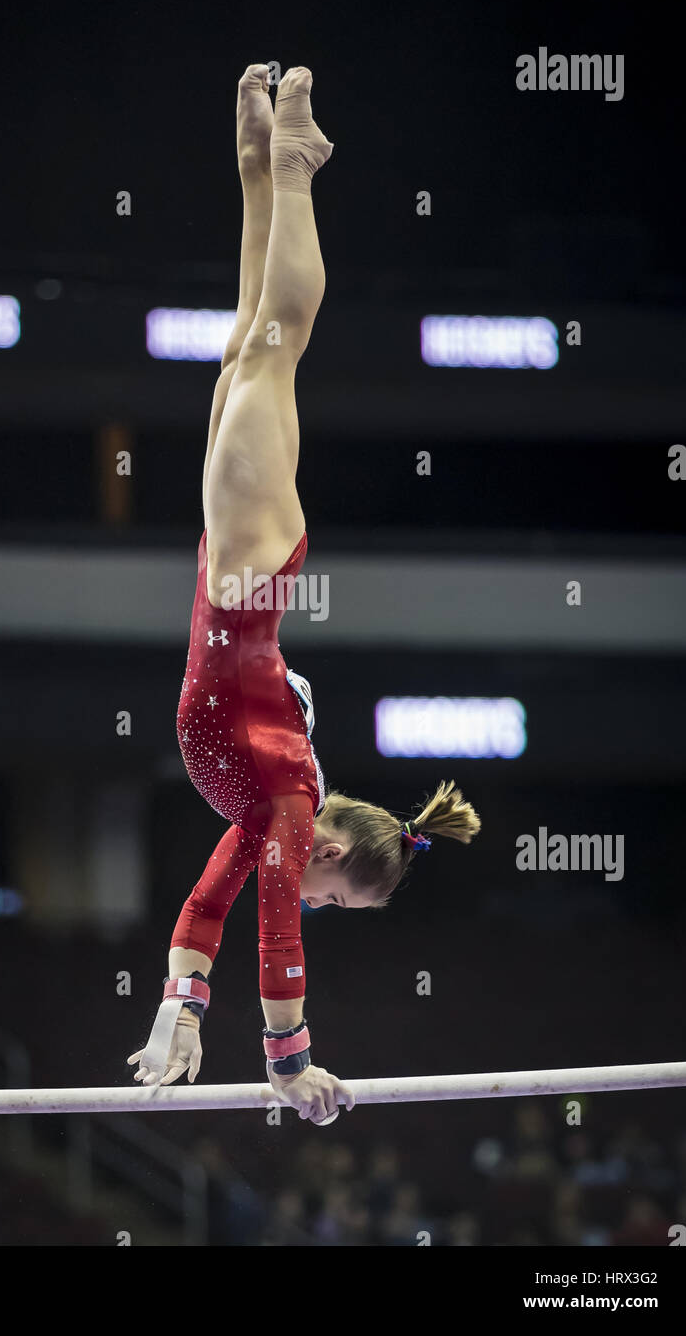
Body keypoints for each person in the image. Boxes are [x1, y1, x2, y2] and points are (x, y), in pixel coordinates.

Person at [130, 65, 480, 1125]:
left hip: (231, 569)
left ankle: (255, 165)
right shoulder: (284, 803)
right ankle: (294, 166)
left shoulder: (263, 807)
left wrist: (180, 1007)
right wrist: (288, 1063)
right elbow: (274, 927)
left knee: (247, 344)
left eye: (326, 901)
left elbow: (211, 903)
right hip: (243, 574)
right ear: (329, 851)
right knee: (279, 341)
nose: (312, 899)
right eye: (334, 894)